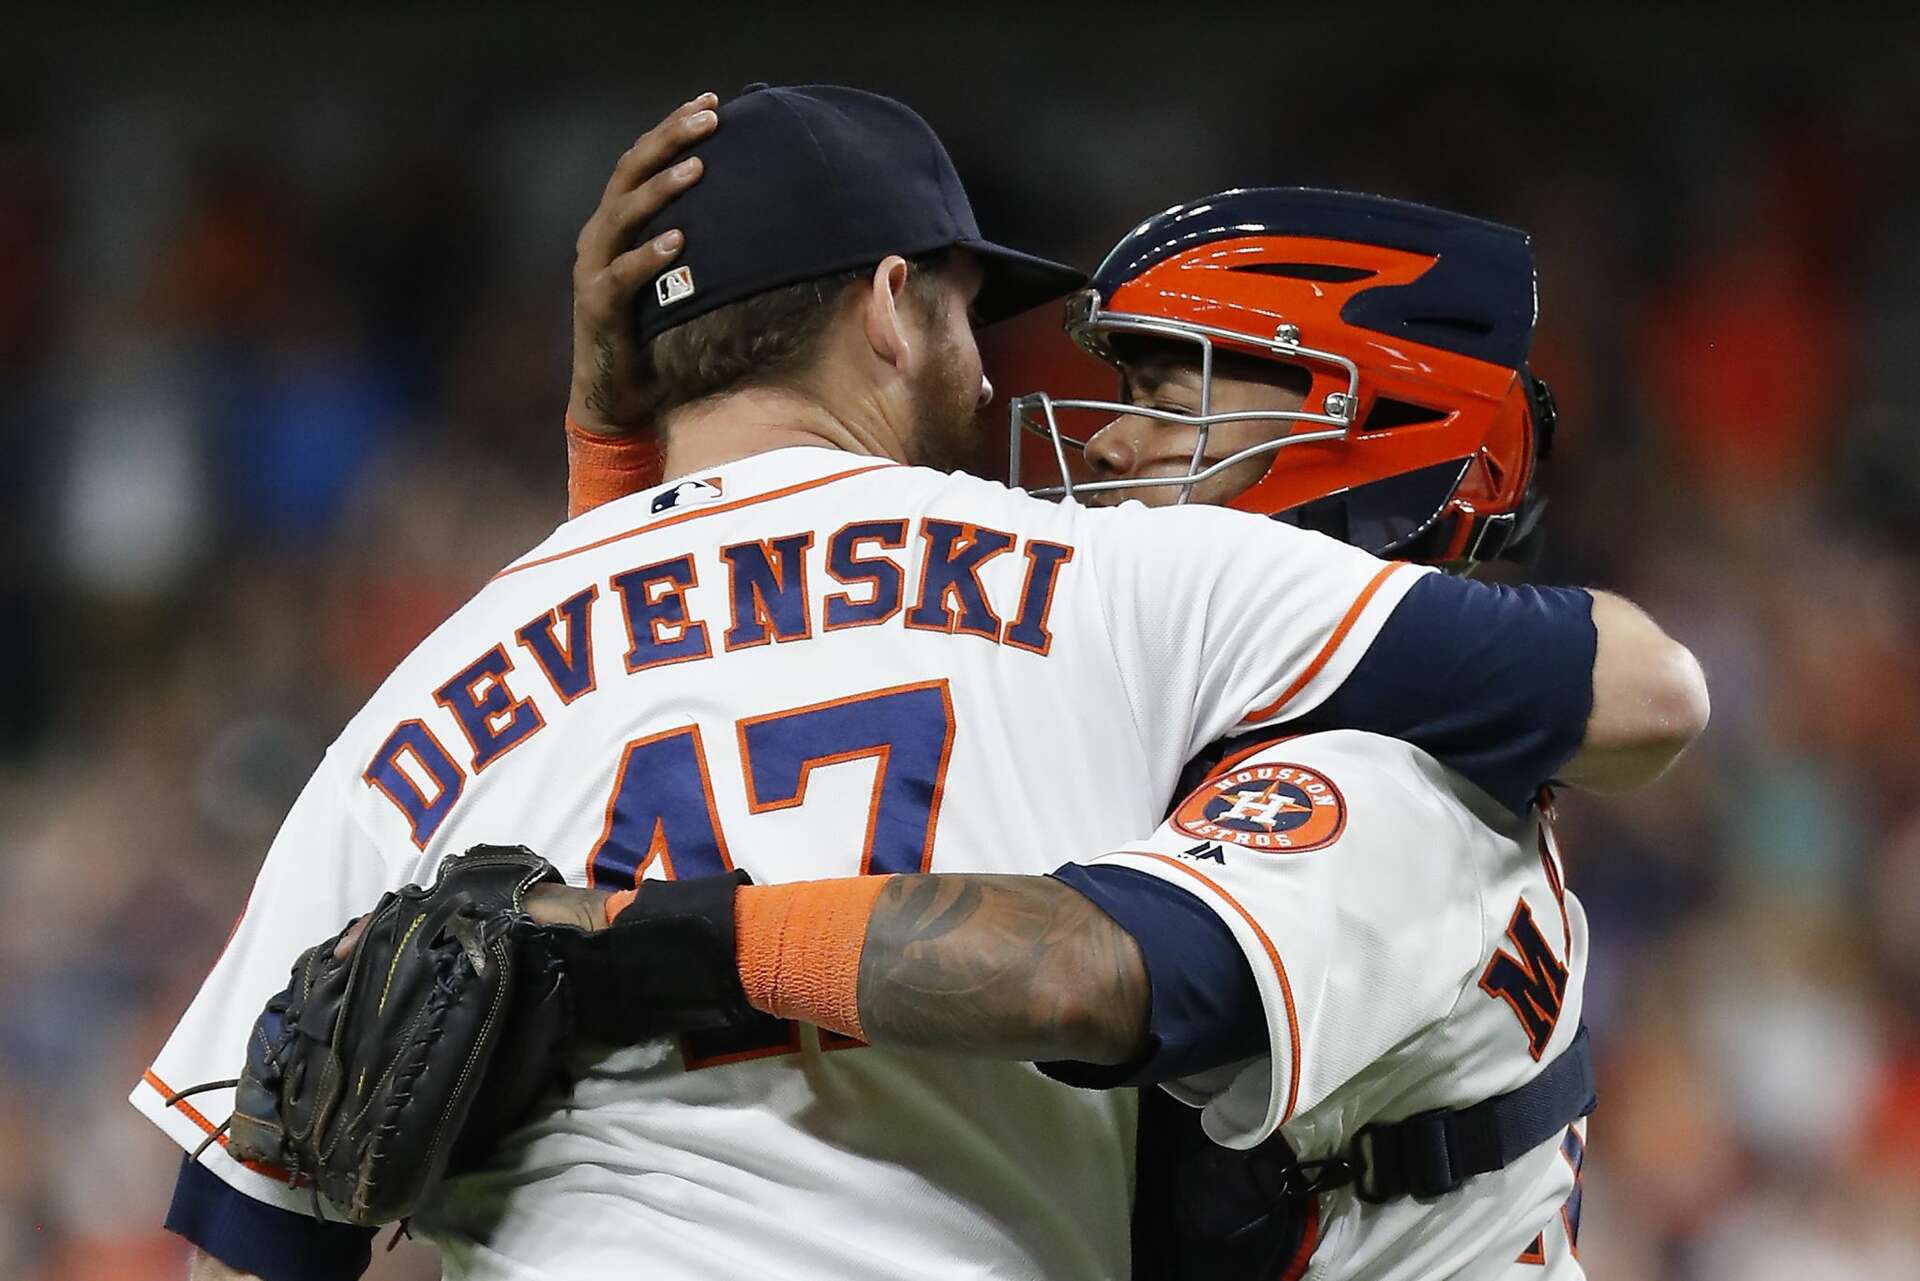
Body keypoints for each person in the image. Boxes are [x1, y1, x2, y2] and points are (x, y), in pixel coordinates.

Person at [140, 88, 1703, 1281]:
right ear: (891, 307)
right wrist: (624, 494)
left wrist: (637, 939)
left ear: (1390, 424)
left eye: (1176, 389)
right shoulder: (1113, 606)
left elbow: (1104, 970)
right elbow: (716, 637)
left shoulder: (1388, 765)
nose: (1094, 430)